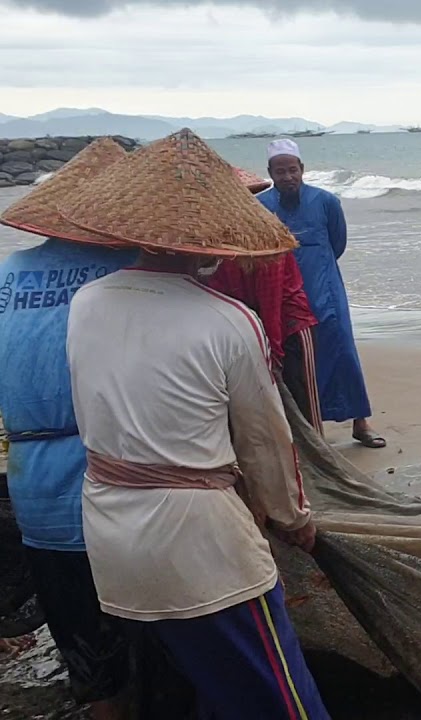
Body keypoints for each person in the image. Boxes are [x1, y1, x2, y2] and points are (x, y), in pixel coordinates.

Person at [61, 129, 330, 719]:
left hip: (111, 536)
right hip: (203, 550)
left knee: (206, 687)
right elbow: (266, 443)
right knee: (285, 701)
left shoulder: (88, 302)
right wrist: (294, 520)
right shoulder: (228, 321)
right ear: (209, 240)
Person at [0, 138, 139, 720]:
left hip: (32, 481)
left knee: (79, 630)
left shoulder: (9, 275)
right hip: (122, 480)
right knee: (145, 629)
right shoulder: (129, 273)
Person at [259, 138, 385, 448]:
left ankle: (360, 422)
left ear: (302, 169)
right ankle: (308, 431)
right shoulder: (261, 207)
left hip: (327, 292)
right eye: (280, 172)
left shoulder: (327, 202)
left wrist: (320, 272)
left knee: (342, 352)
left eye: (292, 170)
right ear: (270, 173)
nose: (287, 177)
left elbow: (337, 244)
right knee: (296, 363)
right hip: (285, 298)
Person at [204, 167, 322, 430]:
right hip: (248, 330)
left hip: (288, 328)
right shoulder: (216, 237)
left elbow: (272, 301)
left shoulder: (266, 235)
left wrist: (273, 354)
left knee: (303, 408)